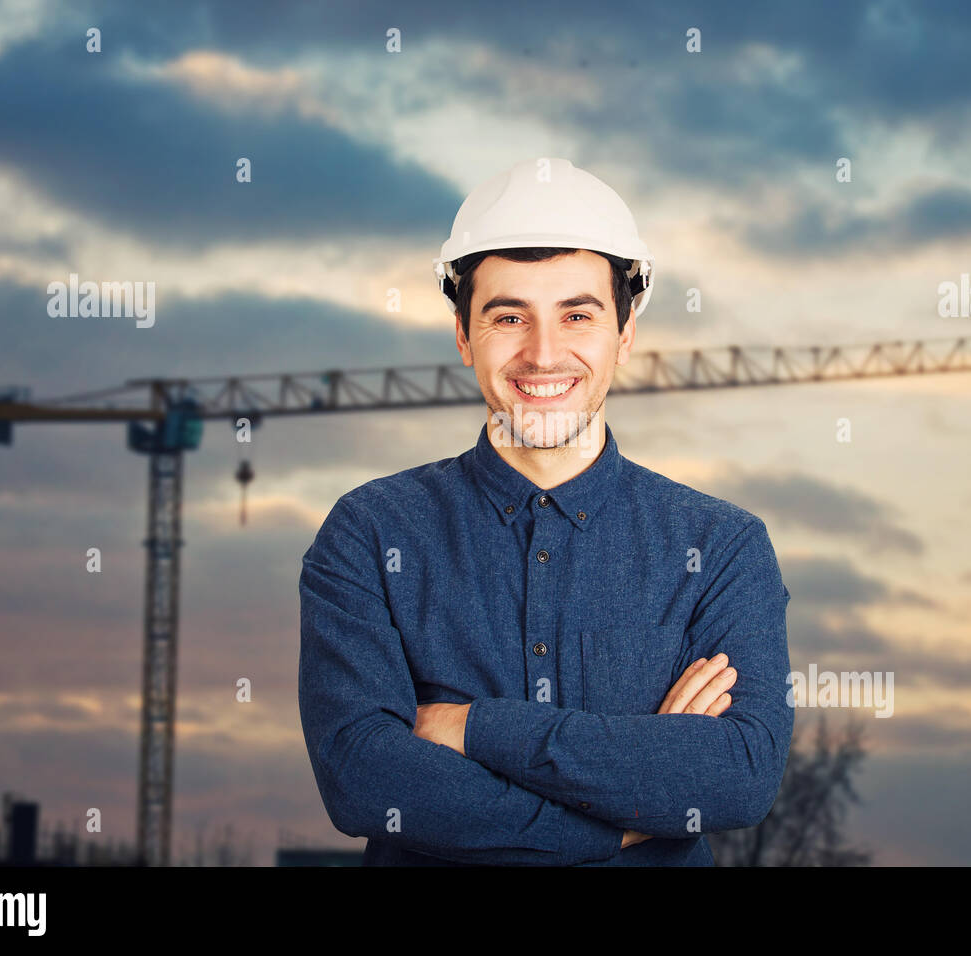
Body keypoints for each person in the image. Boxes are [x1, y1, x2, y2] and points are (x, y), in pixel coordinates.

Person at [298, 157, 793, 865]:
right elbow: (366, 780)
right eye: (508, 317)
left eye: (577, 315)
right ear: (464, 335)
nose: (543, 353)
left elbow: (737, 775)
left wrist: (474, 731)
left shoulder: (721, 547)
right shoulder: (371, 533)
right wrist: (622, 811)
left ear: (624, 334)